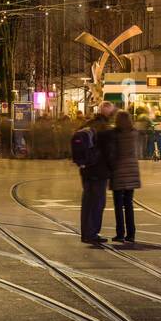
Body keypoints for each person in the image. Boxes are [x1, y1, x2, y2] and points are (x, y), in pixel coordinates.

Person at [71, 103, 117, 244]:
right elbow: (109, 152)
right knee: (97, 202)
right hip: (99, 169)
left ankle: (86, 232)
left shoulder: (87, 124)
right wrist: (111, 169)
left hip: (85, 169)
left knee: (87, 201)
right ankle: (92, 233)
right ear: (108, 113)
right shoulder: (105, 129)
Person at [108, 110, 141, 242]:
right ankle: (131, 234)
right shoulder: (134, 133)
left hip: (119, 171)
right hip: (132, 170)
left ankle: (120, 233)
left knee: (118, 204)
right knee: (128, 204)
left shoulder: (115, 135)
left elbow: (112, 152)